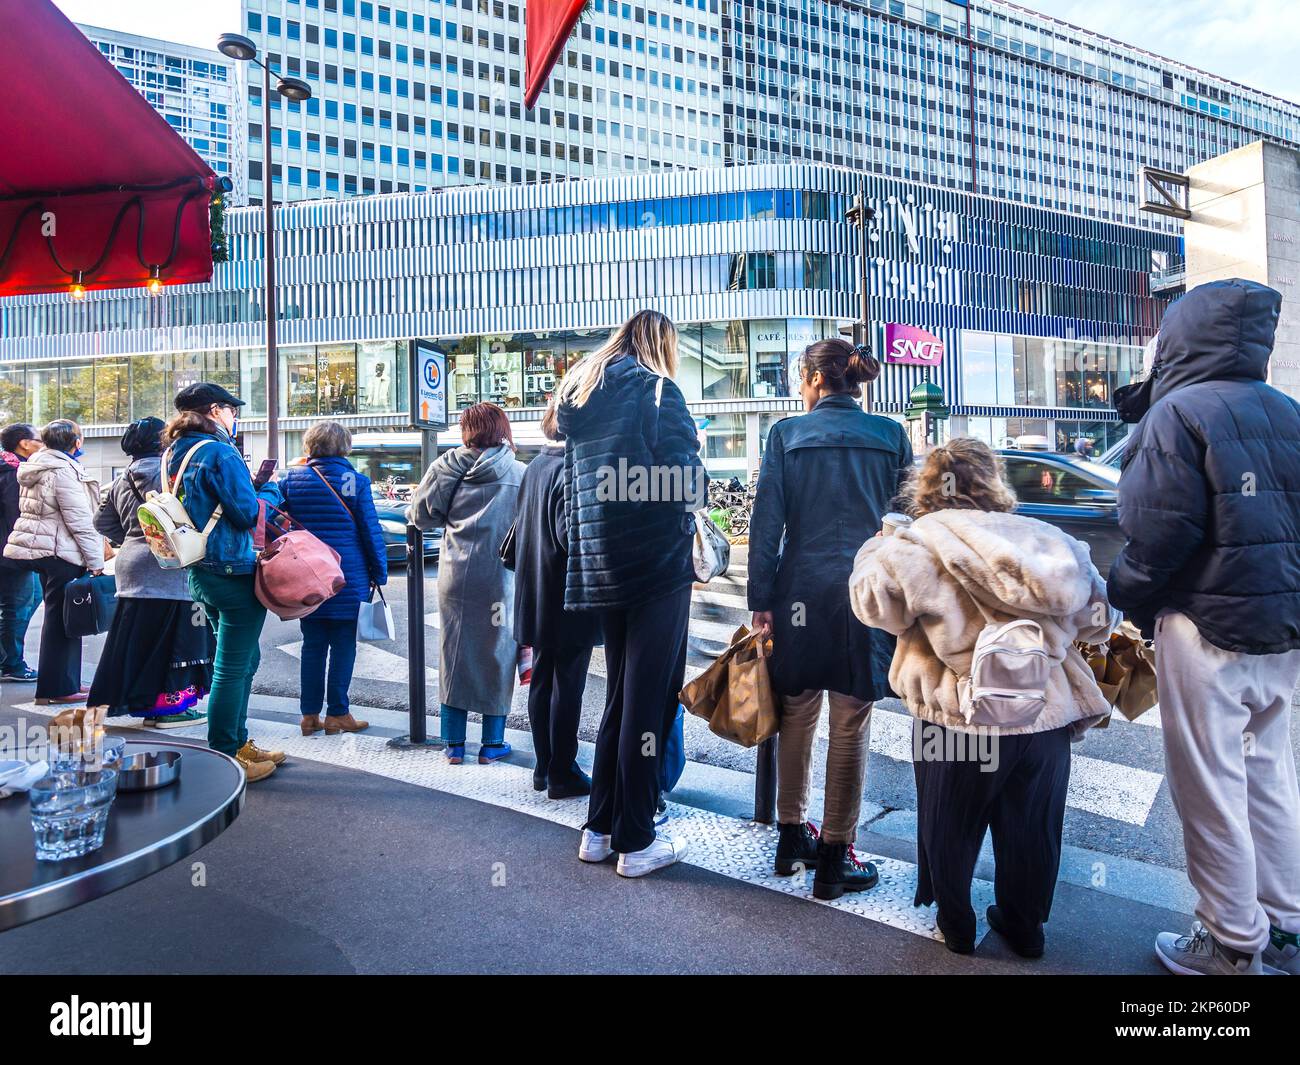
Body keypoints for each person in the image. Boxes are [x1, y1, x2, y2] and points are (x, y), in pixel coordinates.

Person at [850, 438, 1117, 956]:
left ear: (927, 487)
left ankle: (957, 924)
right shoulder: (1053, 541)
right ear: (995, 482)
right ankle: (1024, 926)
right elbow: (1100, 622)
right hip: (1042, 713)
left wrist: (871, 550)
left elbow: (875, 609)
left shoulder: (915, 544)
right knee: (1033, 828)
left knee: (950, 821)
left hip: (953, 717)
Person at [1107, 279, 1300, 977]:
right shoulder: (1287, 411)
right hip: (1281, 630)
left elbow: (1158, 536)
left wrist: (1122, 594)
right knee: (1269, 772)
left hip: (1204, 622)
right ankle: (1281, 924)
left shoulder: (1178, 413)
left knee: (1210, 783)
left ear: (1183, 337)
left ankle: (1227, 940)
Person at [747, 338, 912, 900]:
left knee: (796, 710)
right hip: (866, 589)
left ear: (815, 380)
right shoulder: (891, 436)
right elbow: (906, 523)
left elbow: (766, 521)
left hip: (800, 587)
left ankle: (791, 835)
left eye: (800, 377)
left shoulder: (786, 435)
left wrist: (760, 599)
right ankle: (836, 854)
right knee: (851, 717)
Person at [558, 309, 704, 878]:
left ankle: (600, 827)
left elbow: (576, 491)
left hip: (600, 563)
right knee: (649, 700)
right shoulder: (657, 391)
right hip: (655, 564)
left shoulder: (583, 395)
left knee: (621, 695)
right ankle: (637, 839)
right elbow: (685, 484)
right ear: (661, 345)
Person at [165, 383, 285, 782]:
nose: (235, 418)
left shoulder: (176, 451)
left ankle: (238, 741)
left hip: (199, 569)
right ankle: (226, 752)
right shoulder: (219, 451)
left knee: (243, 659)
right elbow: (247, 512)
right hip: (231, 570)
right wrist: (268, 487)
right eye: (232, 411)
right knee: (232, 666)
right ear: (215, 411)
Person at [409, 402, 524, 764]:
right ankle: (492, 744)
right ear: (502, 429)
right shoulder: (519, 471)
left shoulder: (445, 466)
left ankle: (453, 744)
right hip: (500, 576)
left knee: (453, 652)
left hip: (456, 576)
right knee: (498, 653)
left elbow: (421, 517)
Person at [87, 417, 215, 728]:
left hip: (131, 568)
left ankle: (139, 702)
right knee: (176, 641)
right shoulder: (171, 475)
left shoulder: (120, 480)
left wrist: (133, 538)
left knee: (136, 641)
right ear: (163, 441)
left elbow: (101, 523)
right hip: (171, 568)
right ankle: (170, 708)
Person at [512, 399, 601, 799]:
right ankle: (563, 771)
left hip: (533, 592)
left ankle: (543, 766)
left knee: (542, 681)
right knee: (568, 685)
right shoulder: (573, 469)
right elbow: (571, 537)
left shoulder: (534, 467)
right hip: (567, 597)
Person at [279, 421, 387, 737]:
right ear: (344, 447)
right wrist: (379, 573)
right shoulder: (355, 481)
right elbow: (370, 530)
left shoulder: (291, 481)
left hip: (306, 576)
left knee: (312, 645)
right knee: (343, 644)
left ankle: (309, 716)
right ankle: (338, 713)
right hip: (346, 575)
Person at [3, 420, 104, 705]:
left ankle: (63, 684)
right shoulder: (61, 470)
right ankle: (57, 688)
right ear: (76, 443)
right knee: (64, 621)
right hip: (61, 551)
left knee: (62, 618)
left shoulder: (38, 465)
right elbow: (79, 520)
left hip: (45, 550)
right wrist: (95, 561)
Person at [0, 423, 44, 682]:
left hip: (12, 550)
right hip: (12, 552)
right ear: (24, 443)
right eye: (38, 439)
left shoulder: (11, 468)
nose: (42, 443)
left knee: (31, 598)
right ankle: (13, 664)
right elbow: (18, 514)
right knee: (17, 606)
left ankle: (7, 656)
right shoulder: (14, 473)